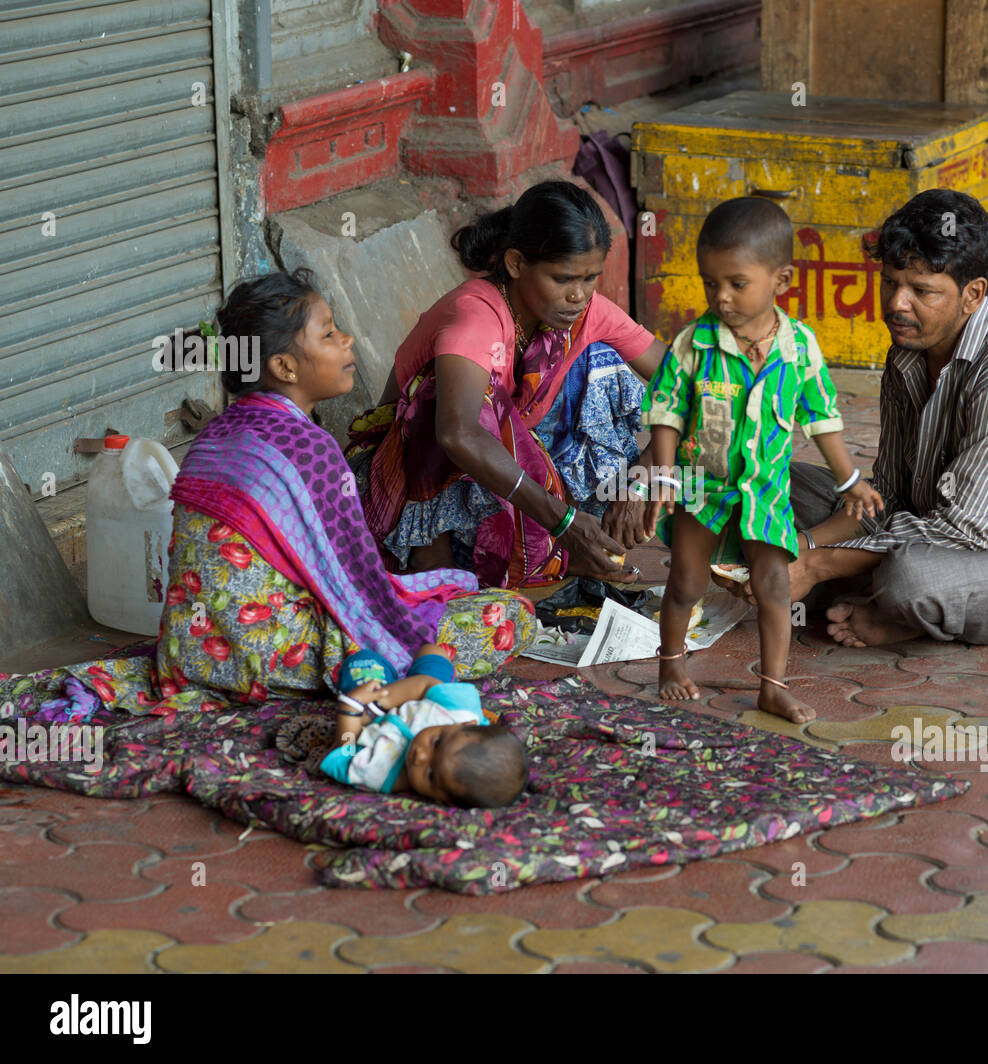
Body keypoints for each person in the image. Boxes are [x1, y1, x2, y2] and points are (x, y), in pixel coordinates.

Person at [11, 270, 539, 723]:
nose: (348, 341)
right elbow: (355, 586)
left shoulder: (214, 437)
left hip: (188, 654)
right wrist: (410, 633)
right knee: (505, 616)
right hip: (267, 657)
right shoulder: (306, 449)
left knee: (428, 601)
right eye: (330, 334)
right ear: (286, 368)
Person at [757, 189, 988, 647]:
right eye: (890, 282)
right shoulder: (911, 347)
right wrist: (804, 545)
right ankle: (855, 589)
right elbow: (888, 491)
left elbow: (964, 528)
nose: (896, 304)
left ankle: (889, 605)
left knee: (912, 578)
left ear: (973, 294)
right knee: (756, 482)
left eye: (922, 291)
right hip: (930, 519)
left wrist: (815, 562)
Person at [347, 180, 668, 588]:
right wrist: (562, 521)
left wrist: (642, 479)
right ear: (516, 264)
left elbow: (685, 386)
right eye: (563, 278)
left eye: (590, 279)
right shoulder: (476, 315)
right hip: (414, 477)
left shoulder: (585, 312)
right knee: (452, 396)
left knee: (599, 360)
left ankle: (557, 546)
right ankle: (436, 562)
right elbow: (457, 433)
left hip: (512, 463)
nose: (579, 295)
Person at [643, 198, 882, 724]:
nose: (721, 297)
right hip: (700, 491)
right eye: (710, 283)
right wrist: (661, 475)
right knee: (685, 582)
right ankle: (672, 666)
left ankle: (773, 687)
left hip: (764, 495)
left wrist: (851, 482)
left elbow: (823, 420)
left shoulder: (800, 348)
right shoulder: (693, 343)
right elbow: (665, 411)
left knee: (774, 587)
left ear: (781, 279)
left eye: (736, 283)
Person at [314, 644, 528, 807]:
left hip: (369, 718)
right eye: (436, 743)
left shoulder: (381, 774)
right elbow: (425, 683)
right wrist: (379, 704)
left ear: (440, 799)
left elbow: (345, 752)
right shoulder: (459, 711)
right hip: (415, 696)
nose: (420, 756)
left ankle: (379, 673)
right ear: (465, 724)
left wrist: (351, 711)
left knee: (361, 661)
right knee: (431, 652)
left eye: (431, 775)